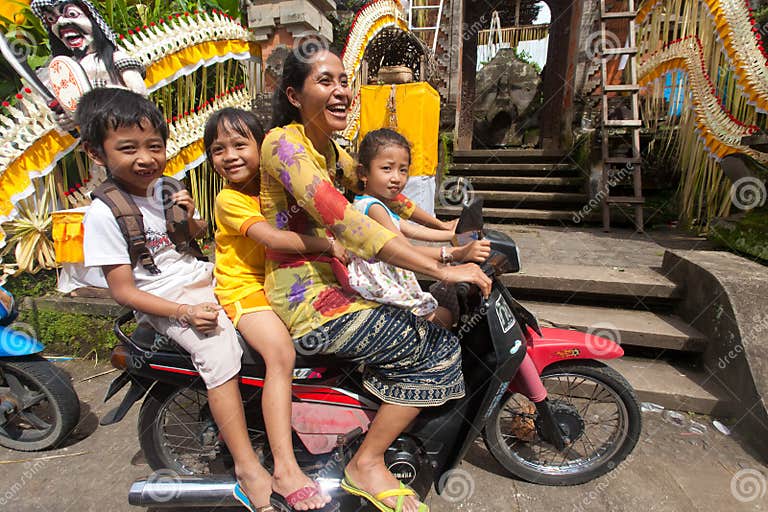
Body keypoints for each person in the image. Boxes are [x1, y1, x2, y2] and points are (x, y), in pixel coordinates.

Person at [260, 46, 491, 512]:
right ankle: (366, 463)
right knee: (438, 347)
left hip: (343, 286)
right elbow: (345, 219)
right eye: (325, 81)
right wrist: (443, 264)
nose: (341, 91)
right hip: (310, 299)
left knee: (429, 316)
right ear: (293, 94)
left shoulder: (333, 151)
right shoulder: (285, 146)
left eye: (344, 80)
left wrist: (448, 228)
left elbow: (392, 198)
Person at [78, 88, 274, 512]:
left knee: (272, 307)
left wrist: (192, 219)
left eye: (155, 146)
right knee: (219, 351)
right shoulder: (102, 213)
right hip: (163, 297)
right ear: (98, 154)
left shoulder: (165, 187)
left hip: (199, 275)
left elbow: (184, 242)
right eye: (128, 149)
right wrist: (186, 313)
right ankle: (246, 466)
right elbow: (125, 291)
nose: (146, 158)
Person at [204, 107, 343, 512]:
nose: (229, 155)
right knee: (281, 354)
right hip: (244, 289)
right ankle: (284, 468)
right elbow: (273, 239)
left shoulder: (273, 188)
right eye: (218, 149)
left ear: (263, 148)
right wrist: (329, 245)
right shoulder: (230, 199)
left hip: (282, 282)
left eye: (239, 144)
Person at [348, 128, 490, 328]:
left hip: (392, 280)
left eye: (403, 170)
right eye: (387, 169)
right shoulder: (372, 209)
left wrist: (450, 233)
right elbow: (405, 249)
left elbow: (411, 229)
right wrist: (455, 253)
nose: (396, 177)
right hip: (381, 288)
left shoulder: (378, 203)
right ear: (364, 173)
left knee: (445, 308)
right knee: (445, 317)